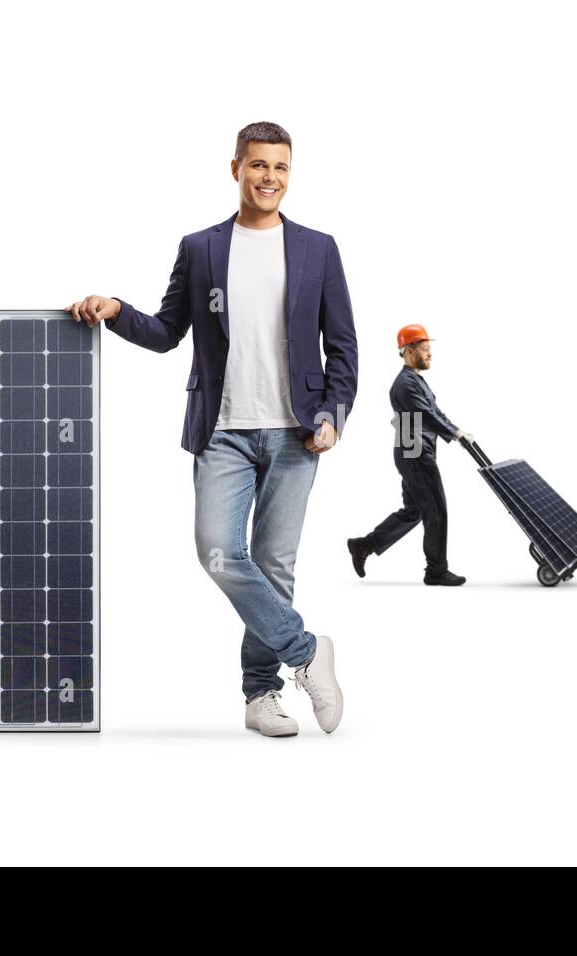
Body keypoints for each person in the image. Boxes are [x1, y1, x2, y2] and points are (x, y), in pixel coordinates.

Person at [67, 121, 358, 737]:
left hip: (296, 434)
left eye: (280, 168)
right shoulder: (201, 248)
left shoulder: (318, 249)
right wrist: (117, 311)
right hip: (222, 431)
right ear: (235, 169)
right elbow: (168, 331)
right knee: (218, 551)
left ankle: (260, 697)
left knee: (274, 567)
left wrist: (332, 416)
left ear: (290, 173)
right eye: (257, 166)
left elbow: (344, 349)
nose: (269, 178)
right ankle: (308, 653)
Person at [347, 325, 467, 586]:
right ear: (408, 351)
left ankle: (364, 545)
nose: (430, 354)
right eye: (425, 349)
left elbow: (435, 411)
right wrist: (455, 434)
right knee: (436, 510)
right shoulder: (404, 383)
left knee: (415, 510)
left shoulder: (415, 379)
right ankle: (436, 570)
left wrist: (457, 430)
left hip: (413, 448)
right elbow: (426, 415)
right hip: (414, 452)